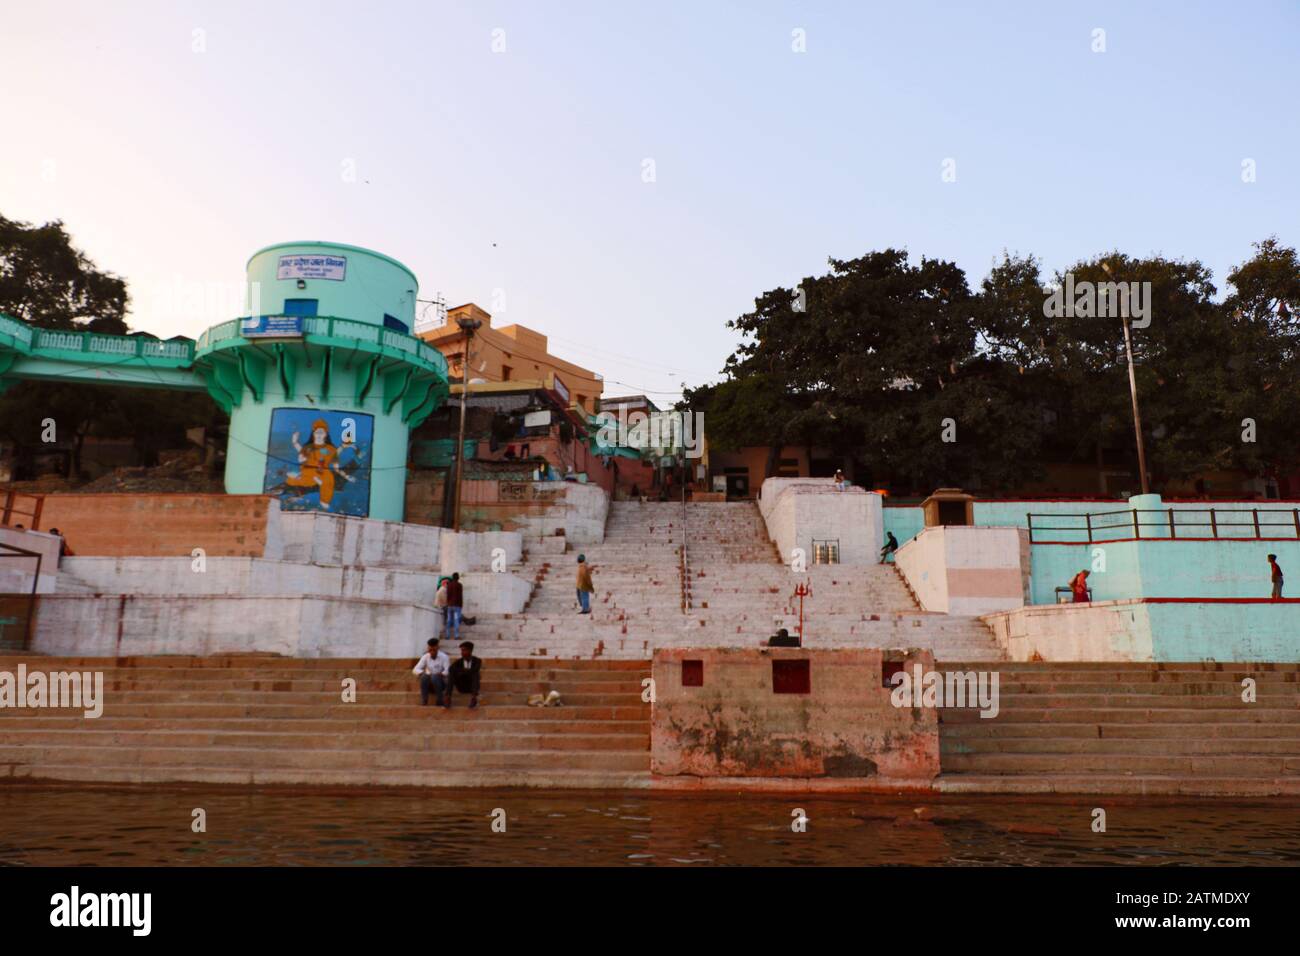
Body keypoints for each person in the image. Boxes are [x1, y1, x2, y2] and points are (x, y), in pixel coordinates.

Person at [412, 638, 450, 707]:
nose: (432, 652)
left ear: (438, 648)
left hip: (440, 683)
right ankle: (424, 700)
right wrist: (422, 673)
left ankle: (439, 700)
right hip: (429, 683)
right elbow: (415, 669)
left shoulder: (444, 657)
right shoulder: (425, 656)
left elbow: (447, 670)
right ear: (428, 648)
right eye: (430, 650)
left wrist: (441, 674)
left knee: (435, 677)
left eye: (434, 650)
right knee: (424, 676)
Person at [448, 641, 482, 709]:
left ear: (470, 651)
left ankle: (473, 698)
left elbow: (475, 670)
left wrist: (462, 671)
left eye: (464, 650)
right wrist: (465, 671)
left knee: (476, 674)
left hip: (472, 686)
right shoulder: (458, 662)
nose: (462, 652)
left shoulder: (477, 660)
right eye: (461, 650)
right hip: (461, 686)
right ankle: (447, 697)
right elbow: (450, 669)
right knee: (452, 673)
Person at [444, 572, 464, 639]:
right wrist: (461, 605)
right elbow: (460, 596)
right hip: (457, 605)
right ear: (458, 578)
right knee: (456, 620)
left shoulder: (449, 585)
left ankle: (447, 635)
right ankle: (456, 635)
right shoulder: (459, 585)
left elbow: (447, 595)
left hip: (449, 605)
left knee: (449, 620)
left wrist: (448, 603)